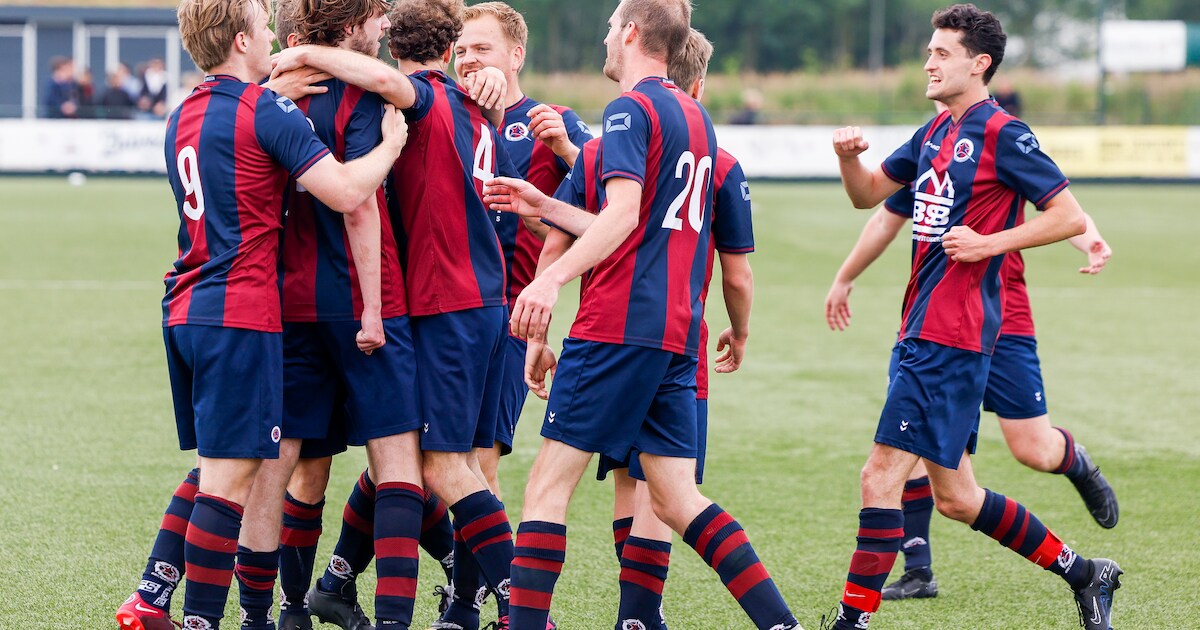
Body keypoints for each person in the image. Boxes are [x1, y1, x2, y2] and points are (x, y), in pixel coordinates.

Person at [481, 2, 799, 629]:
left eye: (608, 28)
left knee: (547, 487)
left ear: (630, 34)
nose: (605, 37)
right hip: (676, 335)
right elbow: (639, 222)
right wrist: (545, 202)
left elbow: (623, 216)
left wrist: (550, 281)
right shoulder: (698, 119)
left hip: (616, 326)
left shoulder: (629, 109)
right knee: (679, 499)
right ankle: (781, 623)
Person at [824, 5, 1121, 629]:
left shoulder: (1003, 133)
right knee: (958, 498)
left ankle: (851, 622)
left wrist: (990, 242)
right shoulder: (932, 134)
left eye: (941, 52)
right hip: (921, 328)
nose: (928, 62)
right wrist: (850, 157)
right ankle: (1086, 573)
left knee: (879, 478)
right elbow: (866, 197)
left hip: (951, 336)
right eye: (929, 51)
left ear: (978, 63)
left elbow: (1066, 215)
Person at [114, 0, 406, 628]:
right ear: (243, 39)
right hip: (240, 312)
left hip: (187, 307)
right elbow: (349, 193)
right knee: (229, 479)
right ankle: (195, 618)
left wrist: (269, 86)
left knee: (221, 463)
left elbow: (238, 146)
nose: (274, 35)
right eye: (265, 27)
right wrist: (389, 146)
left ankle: (153, 596)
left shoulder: (183, 112)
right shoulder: (264, 108)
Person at [274, 1, 521, 627]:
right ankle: (350, 587)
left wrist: (298, 55)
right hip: (475, 301)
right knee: (417, 456)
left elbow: (386, 87)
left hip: (440, 304)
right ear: (449, 47)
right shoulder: (472, 106)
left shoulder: (420, 96)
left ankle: (517, 608)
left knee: (437, 464)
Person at [825, 185, 1118, 601]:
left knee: (1034, 451)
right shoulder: (928, 146)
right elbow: (881, 214)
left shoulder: (995, 138)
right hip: (932, 327)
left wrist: (1089, 240)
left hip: (1003, 320)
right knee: (909, 457)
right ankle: (918, 570)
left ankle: (1074, 463)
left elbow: (1060, 205)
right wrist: (845, 276)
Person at [438, 4, 593, 627]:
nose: (468, 59)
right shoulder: (447, 114)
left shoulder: (549, 123)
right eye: (461, 49)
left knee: (478, 464)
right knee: (422, 458)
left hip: (508, 314)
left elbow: (613, 206)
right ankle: (346, 575)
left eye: (480, 48)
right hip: (445, 310)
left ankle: (470, 608)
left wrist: (563, 149)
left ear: (516, 56)